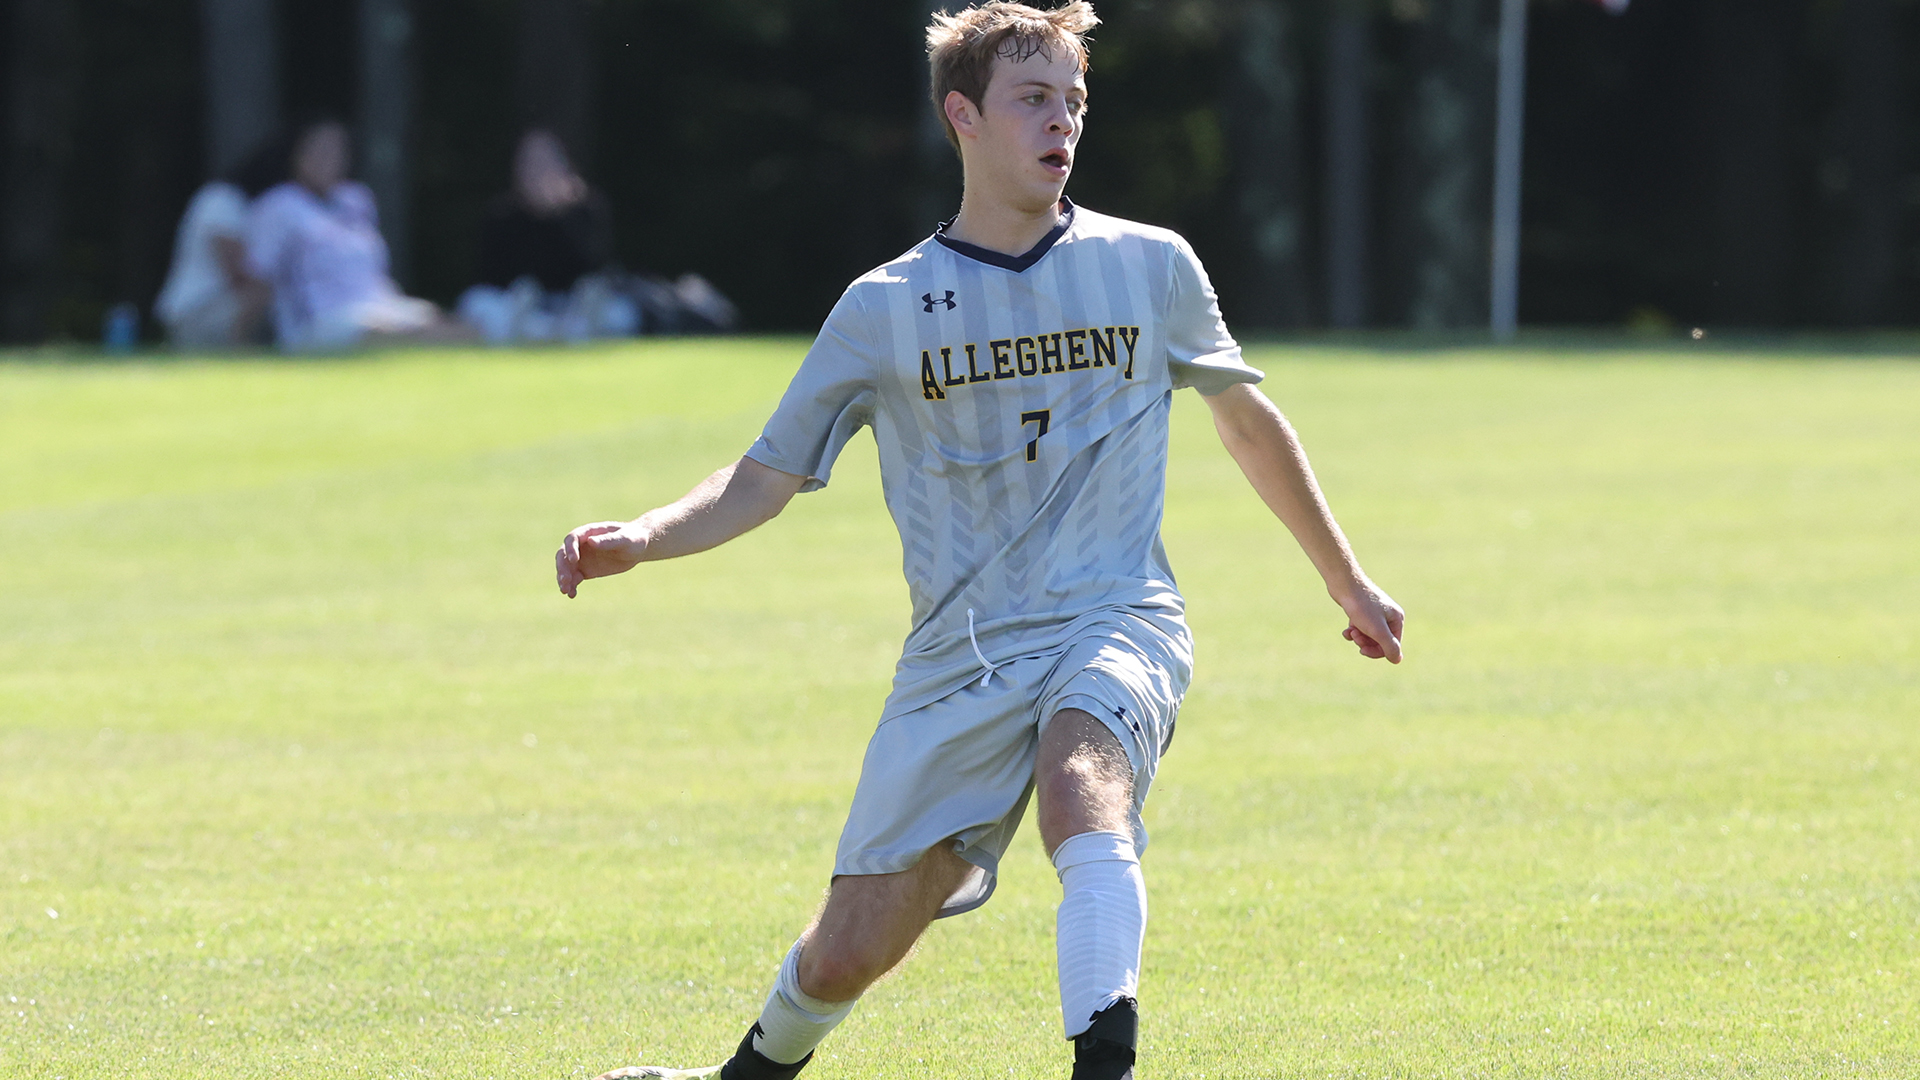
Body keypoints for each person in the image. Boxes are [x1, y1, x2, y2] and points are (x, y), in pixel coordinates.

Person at [555, 4, 1404, 1078]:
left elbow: (1245, 422)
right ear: (963, 115)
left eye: (1074, 102)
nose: (1063, 123)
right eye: (1033, 99)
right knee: (848, 952)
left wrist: (1346, 580)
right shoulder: (884, 308)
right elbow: (763, 477)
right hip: (960, 657)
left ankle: (1104, 1060)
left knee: (1082, 783)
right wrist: (643, 536)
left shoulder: (1151, 265)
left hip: (1116, 613)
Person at [247, 118, 471, 350]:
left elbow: (374, 273)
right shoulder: (278, 205)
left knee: (462, 328)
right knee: (405, 335)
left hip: (379, 307)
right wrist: (240, 335)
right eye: (319, 149)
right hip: (322, 320)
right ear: (297, 153)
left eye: (337, 150)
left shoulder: (355, 199)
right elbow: (260, 278)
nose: (328, 158)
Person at [459, 128, 637, 343]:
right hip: (518, 306)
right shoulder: (501, 215)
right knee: (477, 302)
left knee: (622, 312)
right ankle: (551, 333)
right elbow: (490, 277)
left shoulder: (587, 210)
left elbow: (593, 267)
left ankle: (566, 330)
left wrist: (560, 216)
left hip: (572, 304)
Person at [153, 141, 283, 349]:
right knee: (263, 294)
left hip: (214, 307)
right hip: (195, 310)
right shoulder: (222, 199)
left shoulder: (240, 206)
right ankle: (238, 350)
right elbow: (237, 272)